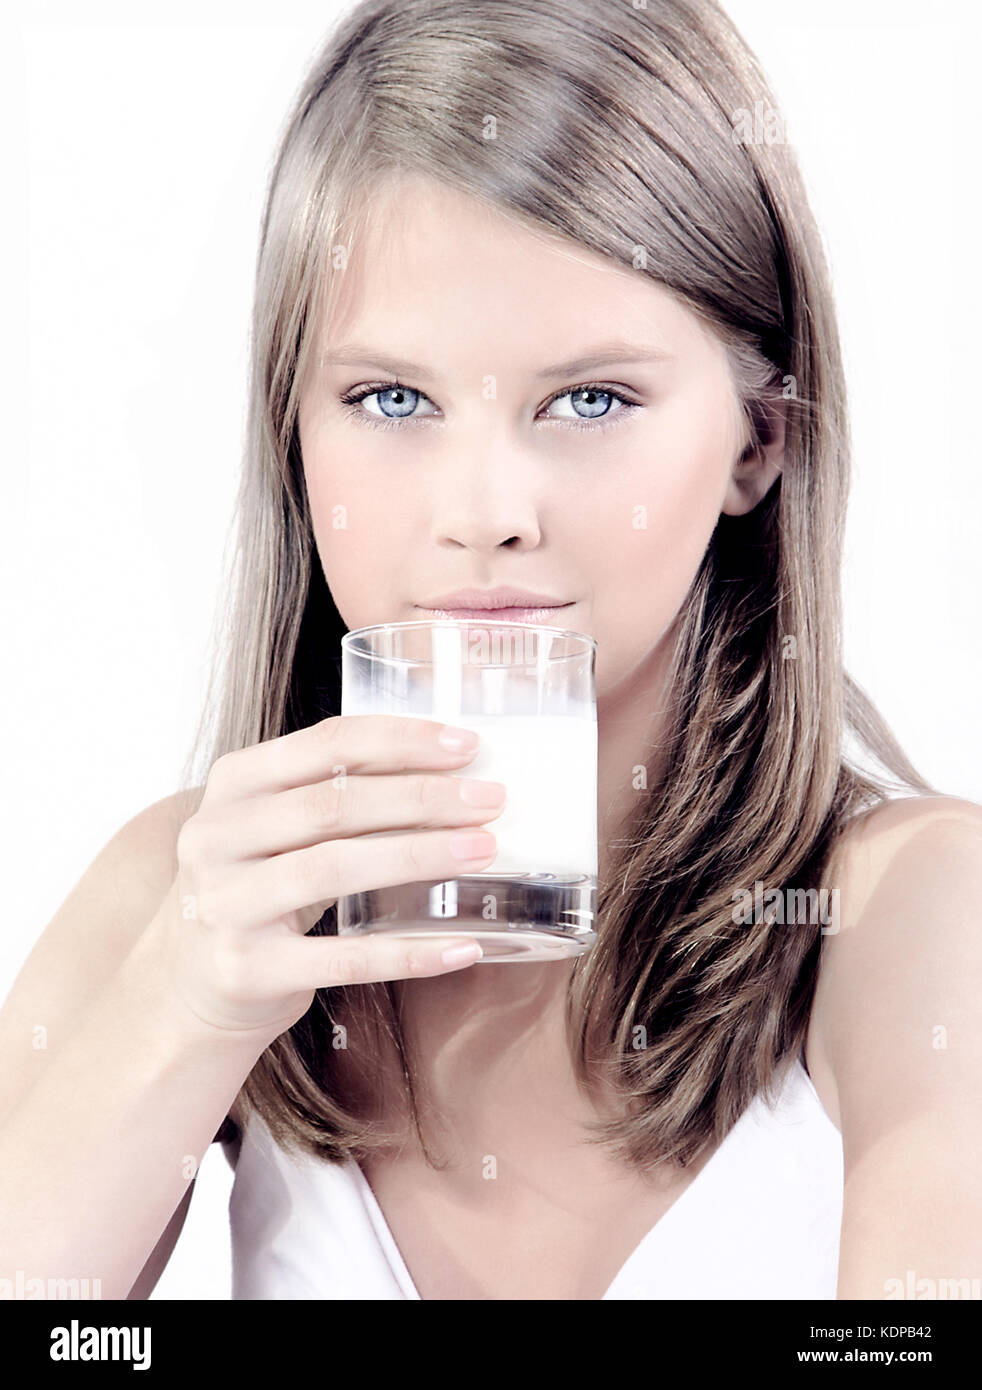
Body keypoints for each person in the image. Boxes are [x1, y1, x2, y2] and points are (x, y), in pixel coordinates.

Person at [2, 0, 980, 1302]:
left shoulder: (908, 910)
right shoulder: (179, 895)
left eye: (589, 399)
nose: (484, 512)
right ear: (292, 431)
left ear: (760, 438)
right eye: (390, 398)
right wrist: (184, 1011)